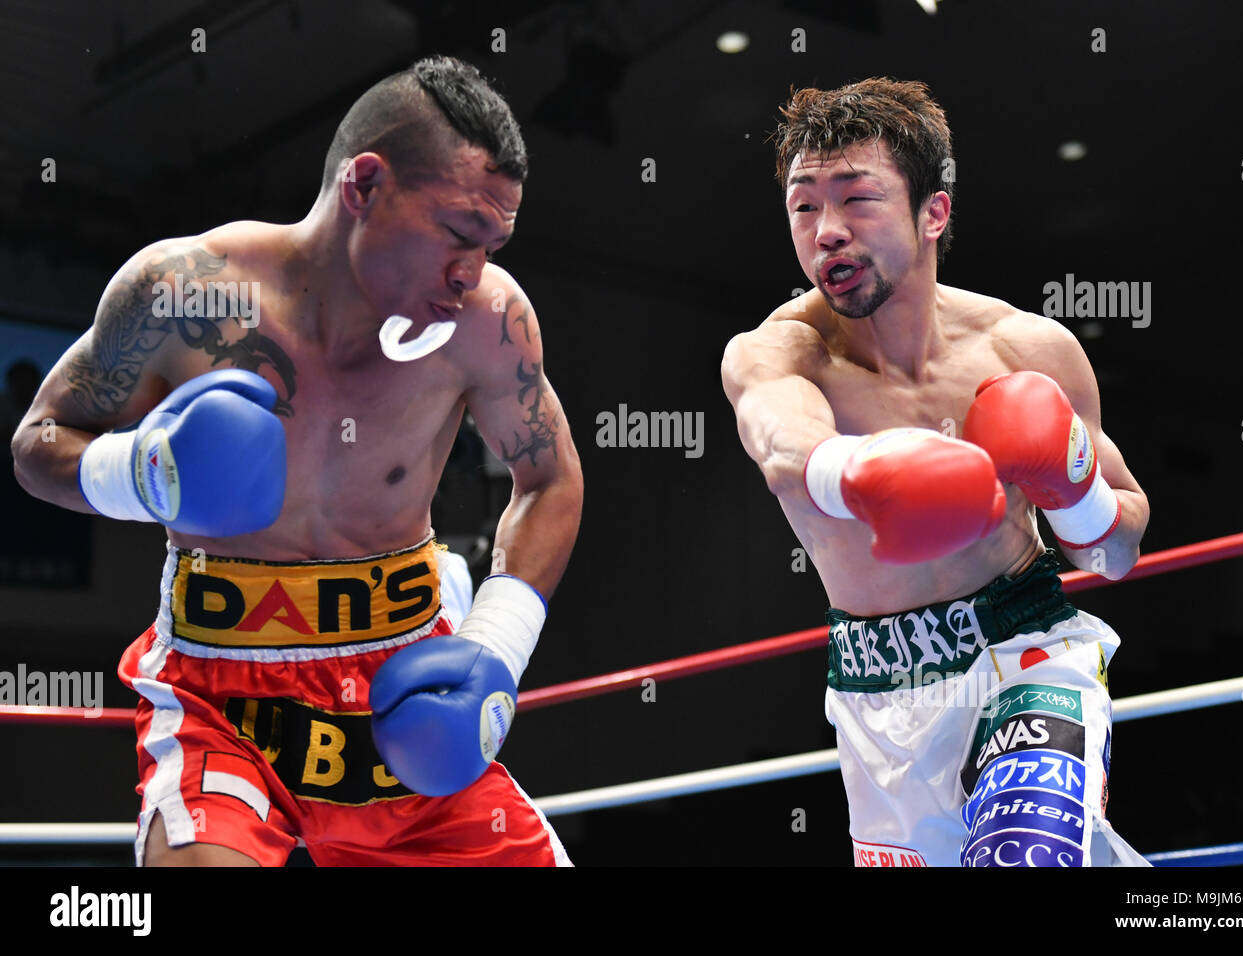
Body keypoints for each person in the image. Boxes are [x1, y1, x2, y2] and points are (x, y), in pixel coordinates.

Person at [10, 55, 583, 866]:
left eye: (493, 244)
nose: (471, 273)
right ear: (365, 186)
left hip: (404, 688)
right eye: (459, 234)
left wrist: (495, 647)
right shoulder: (186, 292)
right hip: (219, 691)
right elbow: (38, 444)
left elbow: (551, 478)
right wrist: (144, 471)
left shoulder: (488, 322)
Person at [722, 78, 1150, 867]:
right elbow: (783, 444)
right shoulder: (778, 352)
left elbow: (1114, 553)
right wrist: (864, 473)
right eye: (805, 205)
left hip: (1026, 651)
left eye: (858, 198)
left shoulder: (1027, 350)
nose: (827, 232)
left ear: (934, 213)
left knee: (1028, 851)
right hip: (876, 699)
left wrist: (1074, 488)